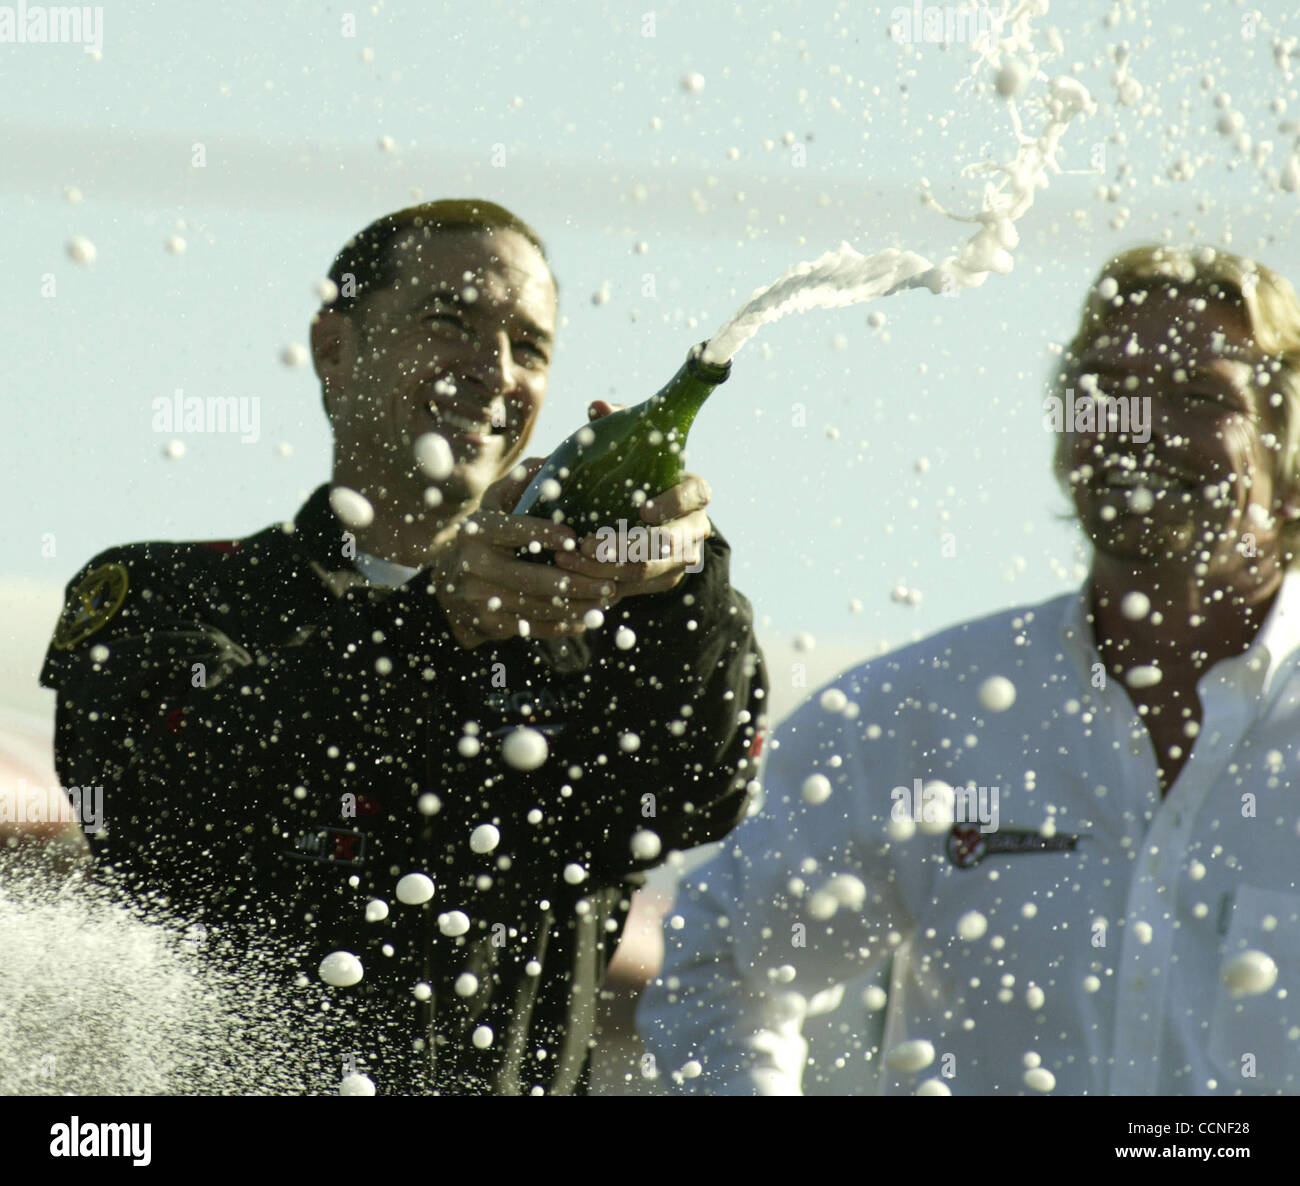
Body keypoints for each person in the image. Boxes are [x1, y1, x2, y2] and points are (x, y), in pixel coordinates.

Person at [40, 199, 768, 1095]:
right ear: (335, 350)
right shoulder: (174, 594)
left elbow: (699, 795)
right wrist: (432, 625)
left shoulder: (595, 639)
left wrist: (686, 585)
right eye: (449, 321)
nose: (494, 370)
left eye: (529, 348)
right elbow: (169, 813)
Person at [638, 244, 1300, 1096]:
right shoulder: (931, 711)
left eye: (1200, 396)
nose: (1137, 423)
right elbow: (720, 963)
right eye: (1105, 388)